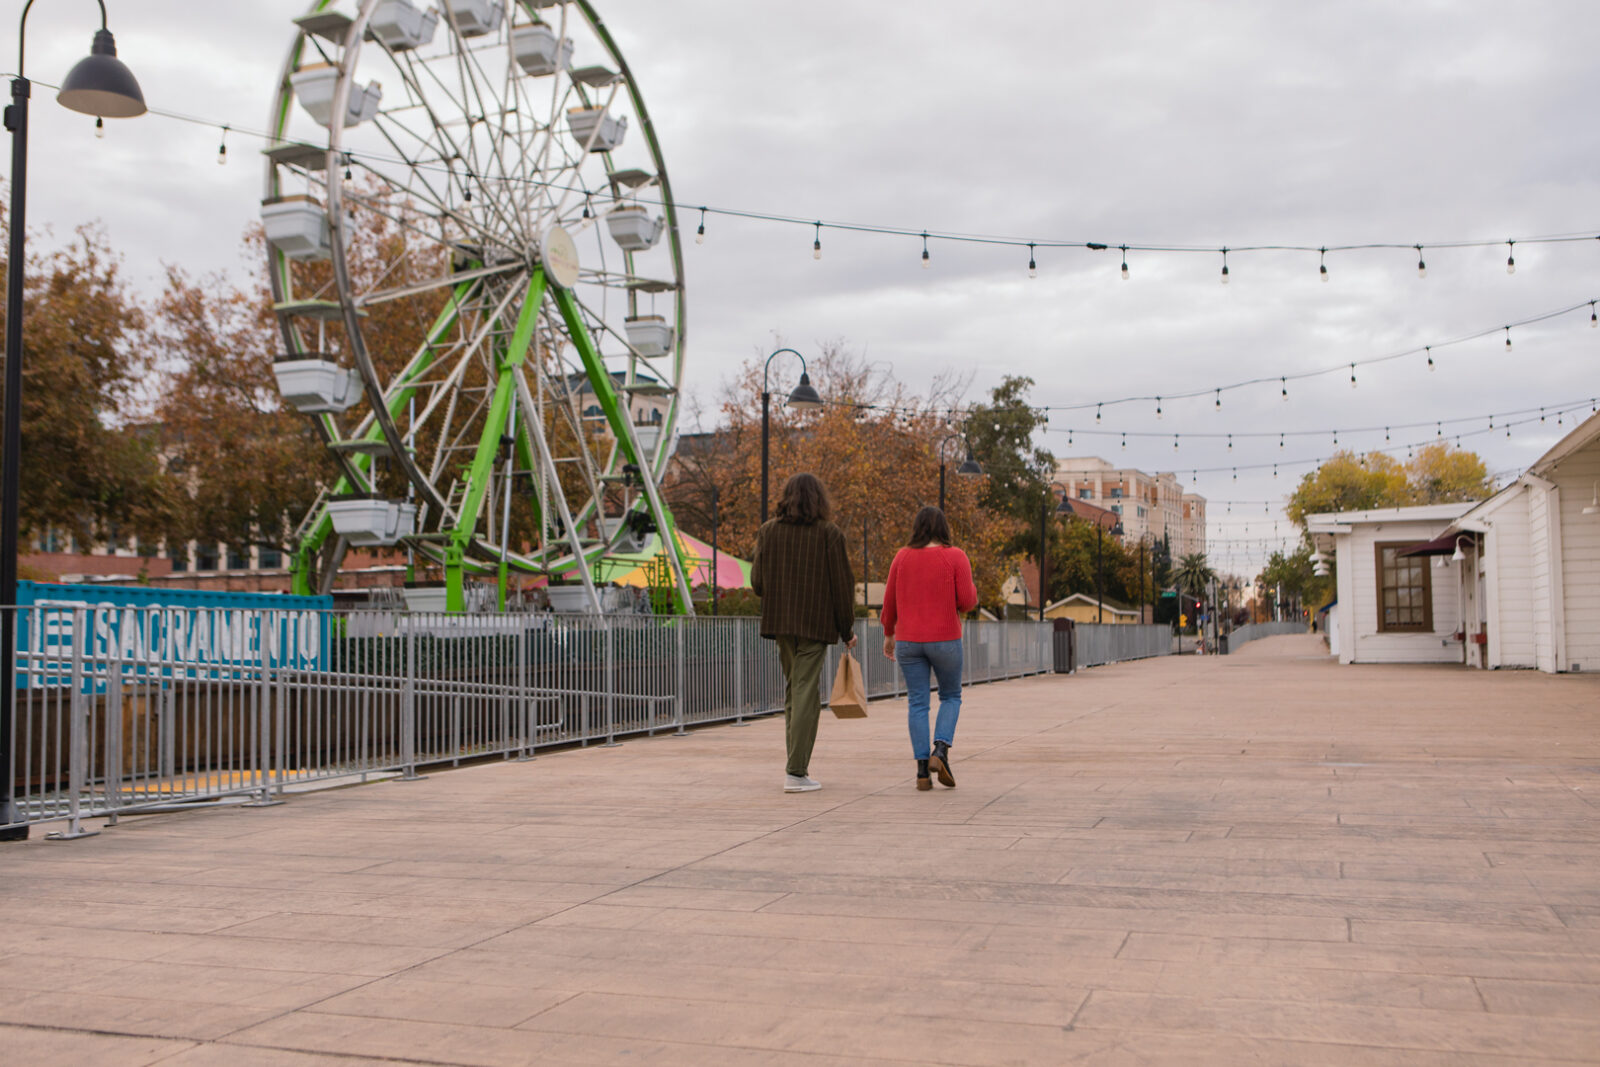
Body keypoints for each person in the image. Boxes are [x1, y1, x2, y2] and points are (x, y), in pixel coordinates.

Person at [750, 472, 858, 793]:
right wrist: (846, 629)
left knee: (794, 691)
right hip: (814, 623)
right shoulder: (830, 534)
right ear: (819, 500)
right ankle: (796, 772)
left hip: (780, 622)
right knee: (805, 692)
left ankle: (796, 767)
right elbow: (842, 587)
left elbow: (757, 583)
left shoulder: (768, 532)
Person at [879, 506, 977, 790]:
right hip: (946, 639)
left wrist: (889, 634)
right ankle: (941, 751)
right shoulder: (955, 556)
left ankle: (922, 771)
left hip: (909, 642)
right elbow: (967, 601)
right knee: (951, 696)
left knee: (918, 703)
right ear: (943, 528)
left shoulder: (902, 557)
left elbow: (889, 603)